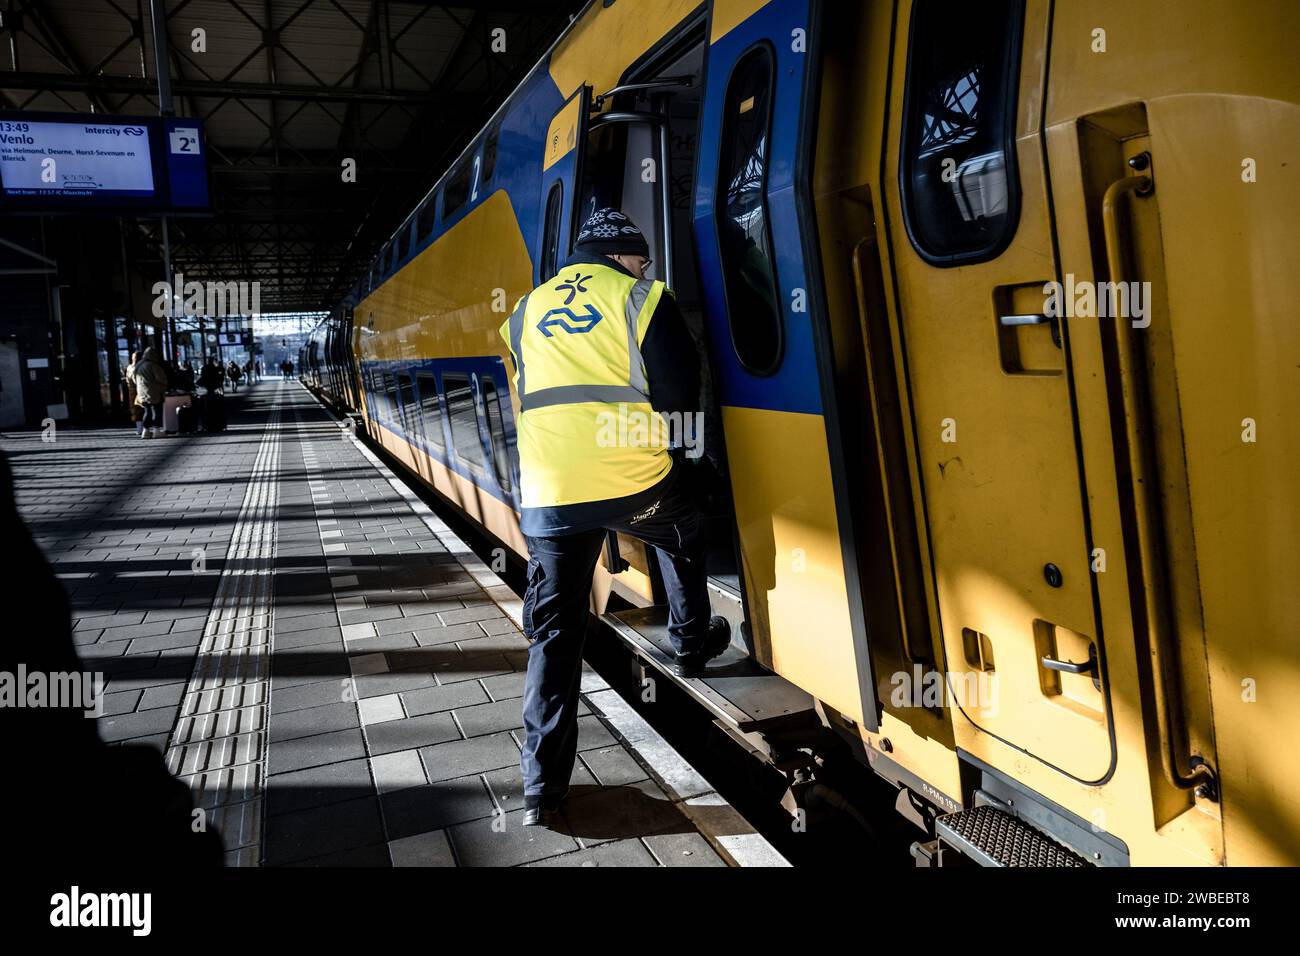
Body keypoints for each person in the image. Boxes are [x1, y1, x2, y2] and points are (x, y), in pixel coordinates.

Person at [499, 206, 730, 828]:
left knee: (554, 634)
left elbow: (527, 398)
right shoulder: (642, 297)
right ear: (624, 256)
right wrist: (690, 462)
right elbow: (682, 394)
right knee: (681, 532)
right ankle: (688, 643)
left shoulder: (523, 310)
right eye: (641, 258)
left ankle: (541, 791)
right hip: (635, 483)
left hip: (550, 495)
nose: (645, 268)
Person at [132, 347, 169, 439]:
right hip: (154, 392)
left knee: (147, 411)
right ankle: (157, 430)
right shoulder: (153, 365)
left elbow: (134, 379)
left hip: (142, 392)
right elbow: (161, 378)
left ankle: (146, 431)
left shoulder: (138, 365)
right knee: (157, 411)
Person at [123, 351, 145, 436]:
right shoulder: (141, 366)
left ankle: (139, 429)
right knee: (143, 408)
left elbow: (127, 379)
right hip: (141, 389)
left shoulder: (129, 367)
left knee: (135, 409)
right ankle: (144, 428)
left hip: (132, 390)